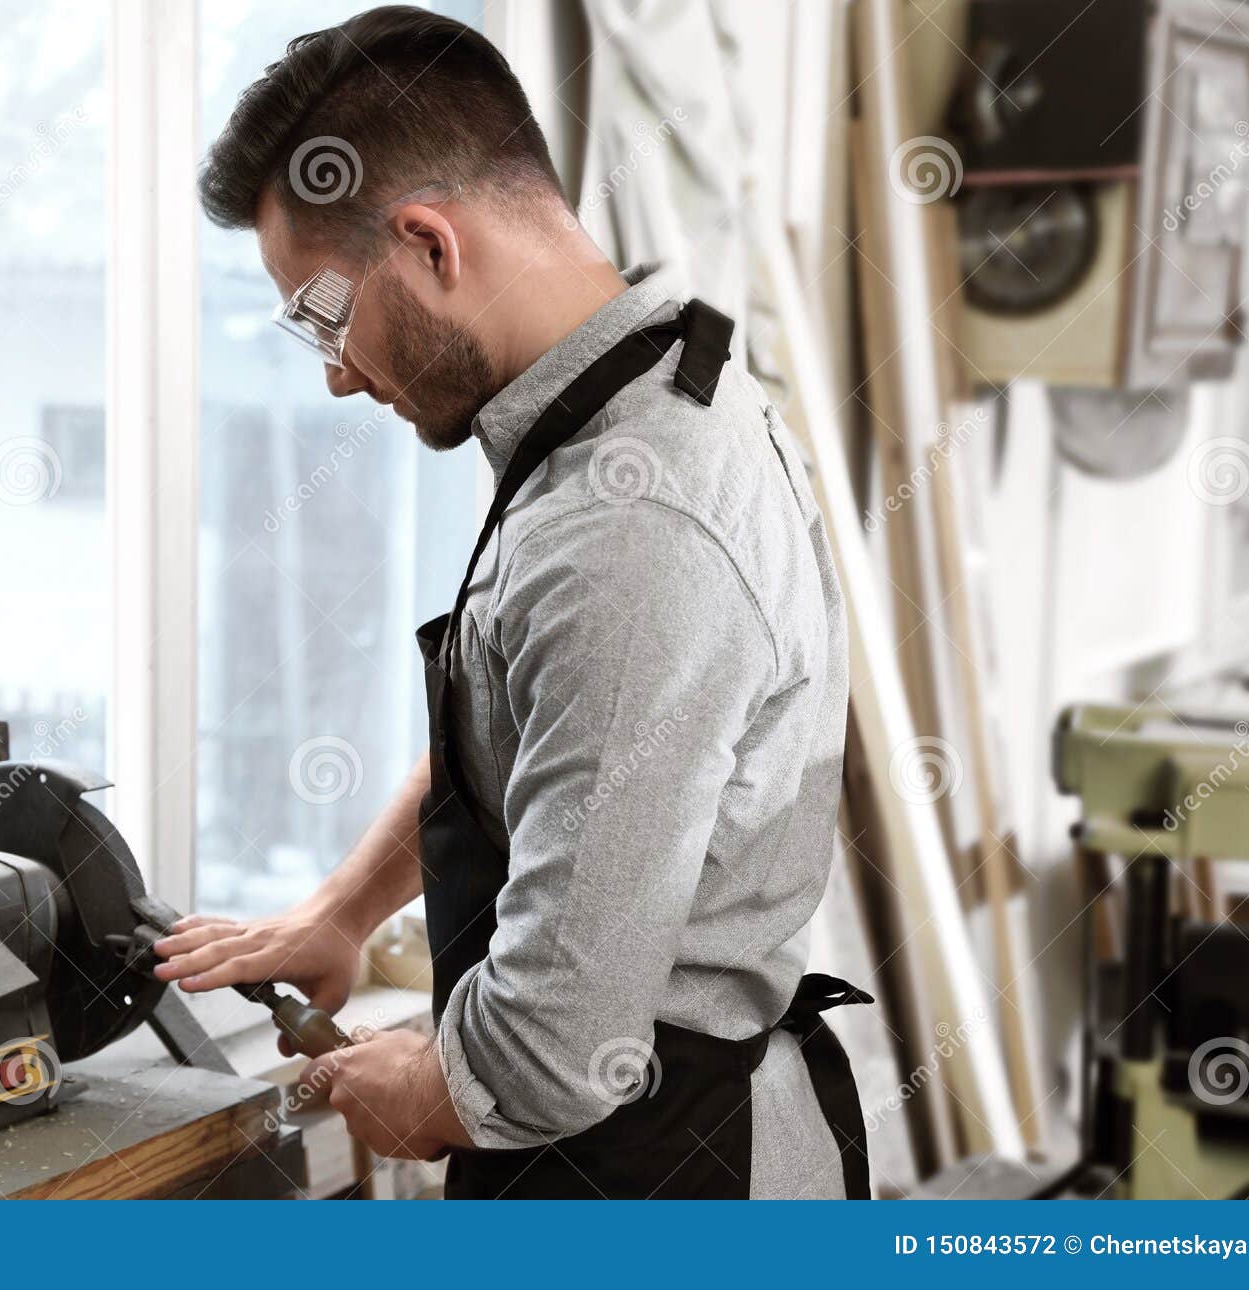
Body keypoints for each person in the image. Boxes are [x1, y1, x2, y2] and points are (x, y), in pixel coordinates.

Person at [153, 4, 869, 1199]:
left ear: (429, 244)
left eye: (325, 315)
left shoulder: (626, 529)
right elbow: (541, 739)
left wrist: (422, 1083)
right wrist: (341, 913)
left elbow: (546, 1050)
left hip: (662, 1178)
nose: (334, 377)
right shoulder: (653, 389)